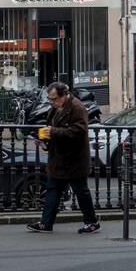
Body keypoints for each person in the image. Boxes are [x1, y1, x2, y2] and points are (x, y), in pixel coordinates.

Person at [28, 82, 100, 234]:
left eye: (54, 99)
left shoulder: (77, 107)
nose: (52, 102)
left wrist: (53, 132)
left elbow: (79, 131)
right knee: (52, 192)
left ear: (64, 95)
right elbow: (53, 129)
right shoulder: (55, 108)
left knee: (81, 192)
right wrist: (43, 140)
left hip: (74, 159)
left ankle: (92, 222)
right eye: (50, 99)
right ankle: (46, 223)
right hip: (59, 158)